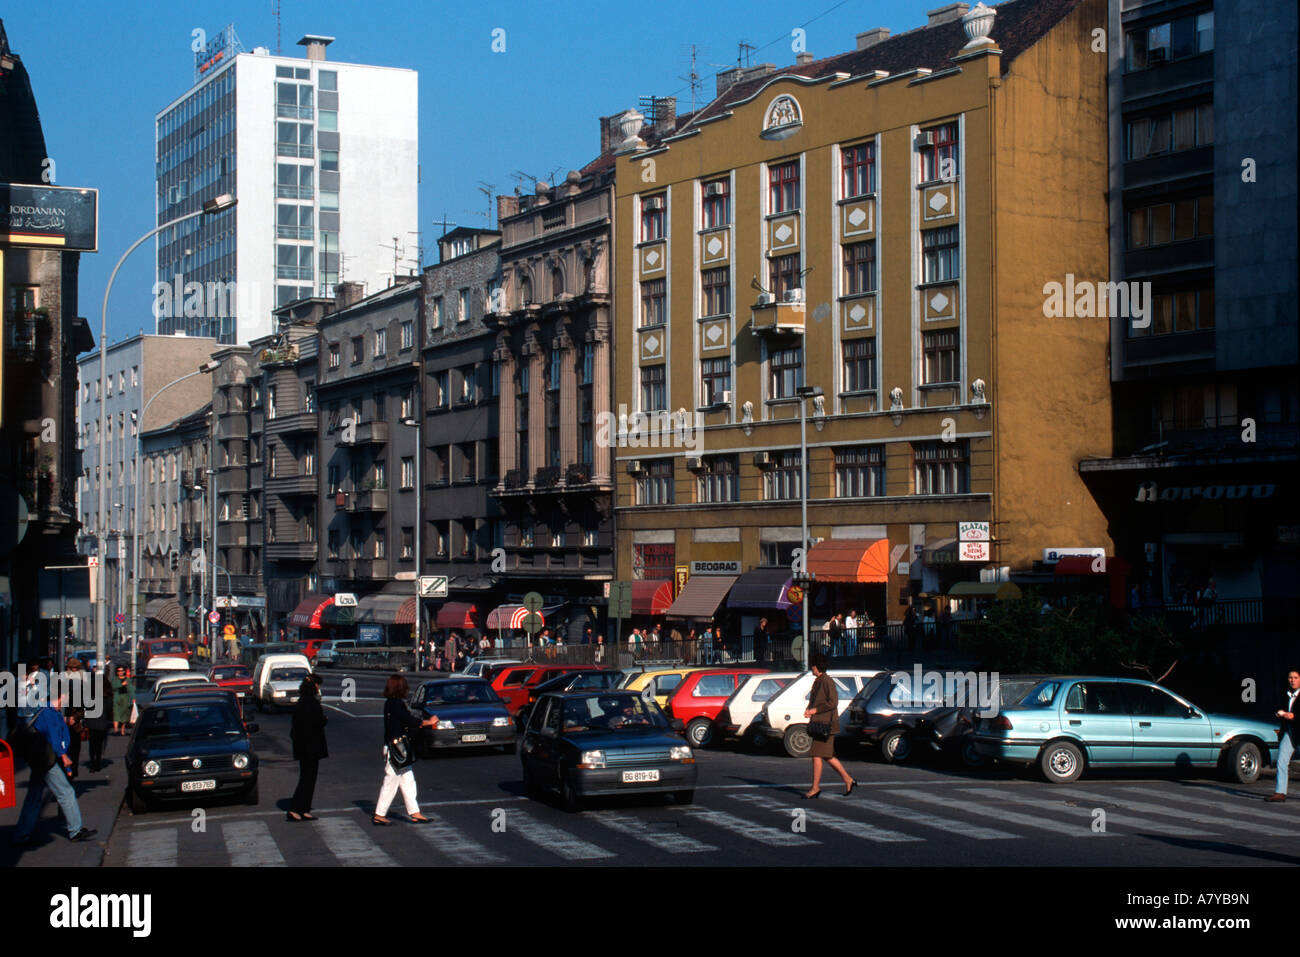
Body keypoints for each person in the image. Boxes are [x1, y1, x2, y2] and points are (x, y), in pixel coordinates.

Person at [10, 689, 97, 846]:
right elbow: (53, 737)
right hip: (46, 759)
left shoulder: (48, 712)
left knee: (34, 796)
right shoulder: (49, 713)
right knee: (66, 792)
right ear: (60, 696)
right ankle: (75, 830)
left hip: (40, 759)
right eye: (67, 696)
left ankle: (22, 834)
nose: (68, 699)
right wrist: (63, 756)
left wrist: (67, 720)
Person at [373, 674, 438, 825]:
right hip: (396, 748)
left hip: (395, 747)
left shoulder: (390, 703)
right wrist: (428, 722)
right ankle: (379, 813)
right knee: (391, 781)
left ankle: (415, 811)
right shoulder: (396, 704)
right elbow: (408, 720)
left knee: (408, 780)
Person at [802, 652, 856, 799]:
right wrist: (809, 711)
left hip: (826, 724)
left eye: (812, 665)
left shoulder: (826, 681)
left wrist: (814, 710)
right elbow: (816, 700)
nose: (811, 668)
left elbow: (833, 702)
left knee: (818, 755)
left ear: (816, 666)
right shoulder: (819, 681)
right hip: (820, 722)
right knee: (826, 756)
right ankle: (848, 780)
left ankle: (815, 787)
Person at [287, 674, 327, 822]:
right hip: (310, 747)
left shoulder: (301, 702)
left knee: (308, 778)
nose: (319, 688)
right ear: (314, 686)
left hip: (303, 747)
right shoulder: (312, 703)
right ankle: (295, 808)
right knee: (307, 779)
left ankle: (304, 809)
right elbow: (317, 722)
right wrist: (324, 720)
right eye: (318, 685)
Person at [1266, 669, 1300, 803]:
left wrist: (1293, 716)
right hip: (1288, 732)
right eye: (1290, 677)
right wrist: (1280, 714)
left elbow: (1293, 715)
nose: (1292, 680)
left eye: (1296, 677)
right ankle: (1280, 792)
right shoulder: (1285, 694)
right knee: (1281, 761)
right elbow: (1279, 708)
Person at [84, 668, 111, 773]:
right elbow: (109, 708)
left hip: (91, 721)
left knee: (92, 744)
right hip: (102, 721)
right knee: (99, 744)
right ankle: (98, 763)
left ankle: (92, 763)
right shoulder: (106, 694)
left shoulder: (91, 692)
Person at [62, 658, 86, 779]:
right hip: (61, 724)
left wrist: (74, 718)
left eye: (76, 670)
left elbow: (87, 708)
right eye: (71, 669)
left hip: (75, 725)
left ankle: (72, 774)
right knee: (62, 751)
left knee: (75, 751)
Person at [110, 664, 133, 735]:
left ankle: (122, 730)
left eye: (122, 671)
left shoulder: (128, 680)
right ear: (117, 672)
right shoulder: (115, 680)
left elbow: (131, 689)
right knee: (116, 714)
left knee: (124, 715)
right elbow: (113, 687)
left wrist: (133, 698)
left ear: (124, 672)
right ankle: (116, 730)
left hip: (125, 698)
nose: (120, 672)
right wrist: (121, 684)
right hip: (117, 698)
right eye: (119, 671)